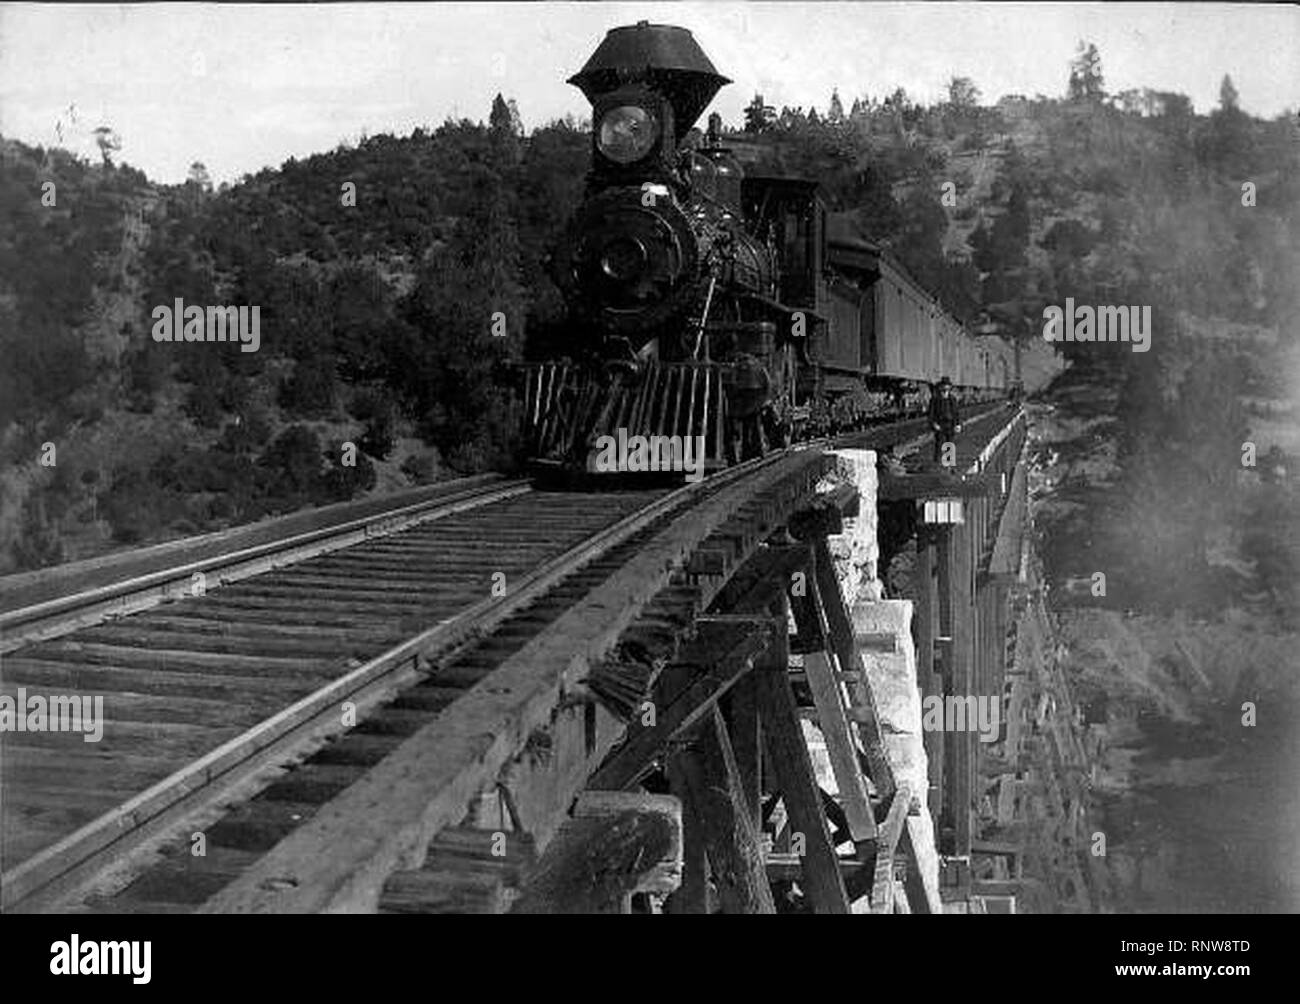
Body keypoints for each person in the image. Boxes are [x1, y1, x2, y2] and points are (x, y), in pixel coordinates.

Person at [929, 377, 961, 465]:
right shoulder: (935, 399)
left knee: (949, 443)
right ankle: (937, 463)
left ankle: (948, 463)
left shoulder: (952, 399)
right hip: (940, 424)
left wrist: (957, 424)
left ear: (949, 388)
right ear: (940, 387)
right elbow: (931, 413)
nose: (945, 388)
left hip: (950, 424)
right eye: (944, 386)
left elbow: (956, 413)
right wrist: (933, 423)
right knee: (939, 444)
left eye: (947, 386)